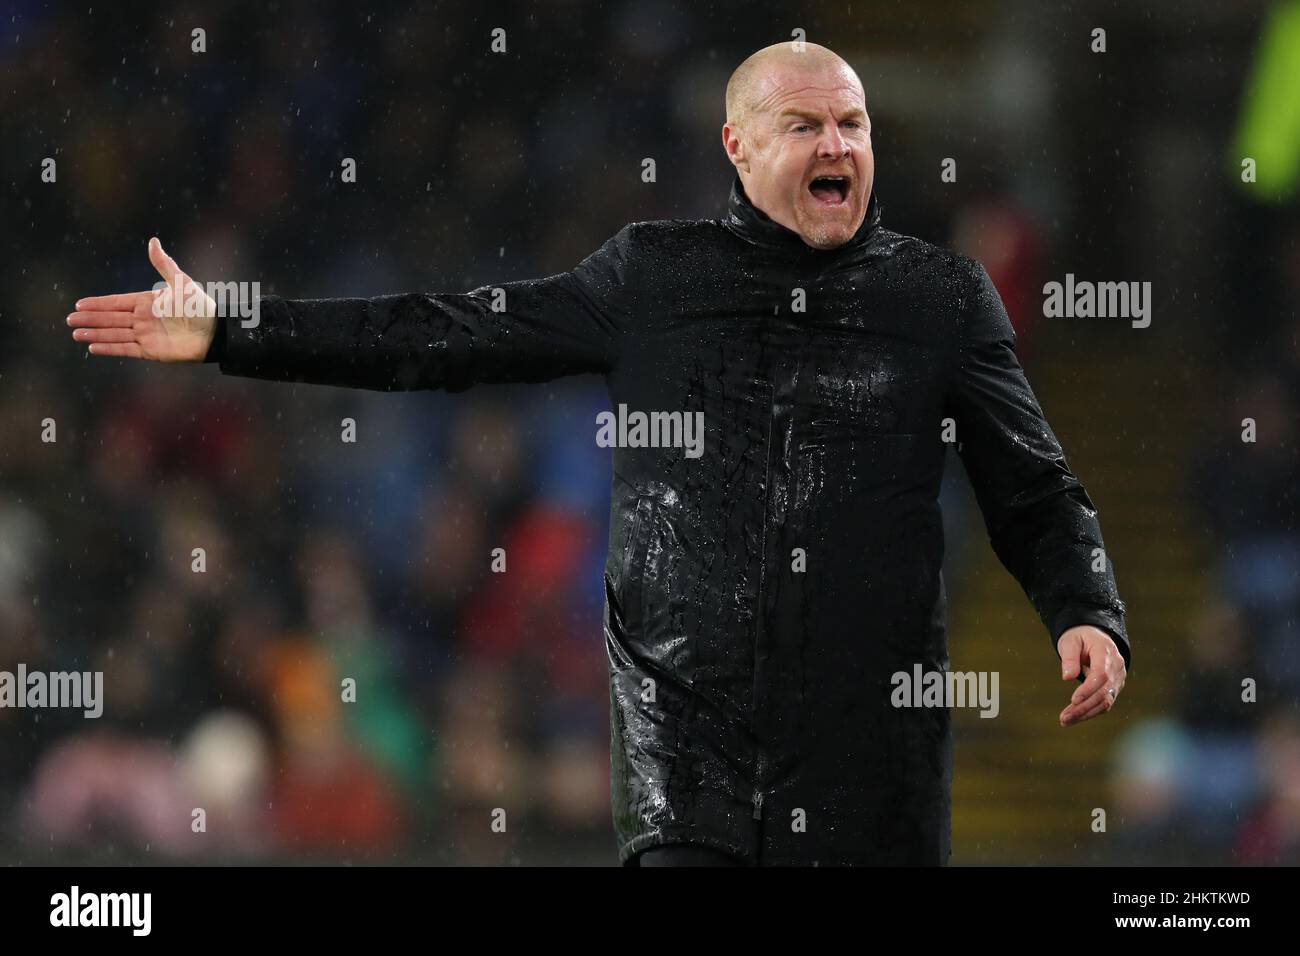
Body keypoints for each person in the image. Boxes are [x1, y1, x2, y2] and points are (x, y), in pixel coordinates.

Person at [66, 41, 1129, 866]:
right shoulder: (649, 280)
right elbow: (443, 333)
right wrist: (234, 329)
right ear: (737, 146)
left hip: (874, 751)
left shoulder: (938, 297)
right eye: (803, 124)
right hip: (688, 748)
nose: (838, 147)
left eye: (852, 124)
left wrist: (1082, 603)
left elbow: (1028, 478)